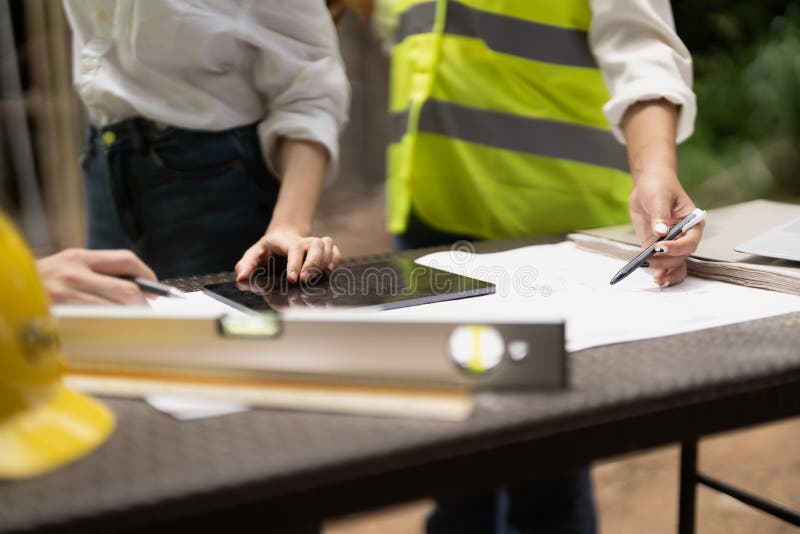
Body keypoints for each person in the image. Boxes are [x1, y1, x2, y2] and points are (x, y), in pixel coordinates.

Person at [355, 0, 704, 532]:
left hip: (547, 228)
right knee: (454, 450)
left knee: (544, 473)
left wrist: (655, 168)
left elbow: (642, 43)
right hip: (430, 222)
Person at [62, 0, 349, 281]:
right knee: (114, 328)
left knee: (221, 327)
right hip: (104, 168)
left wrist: (288, 226)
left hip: (214, 180)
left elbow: (310, 94)